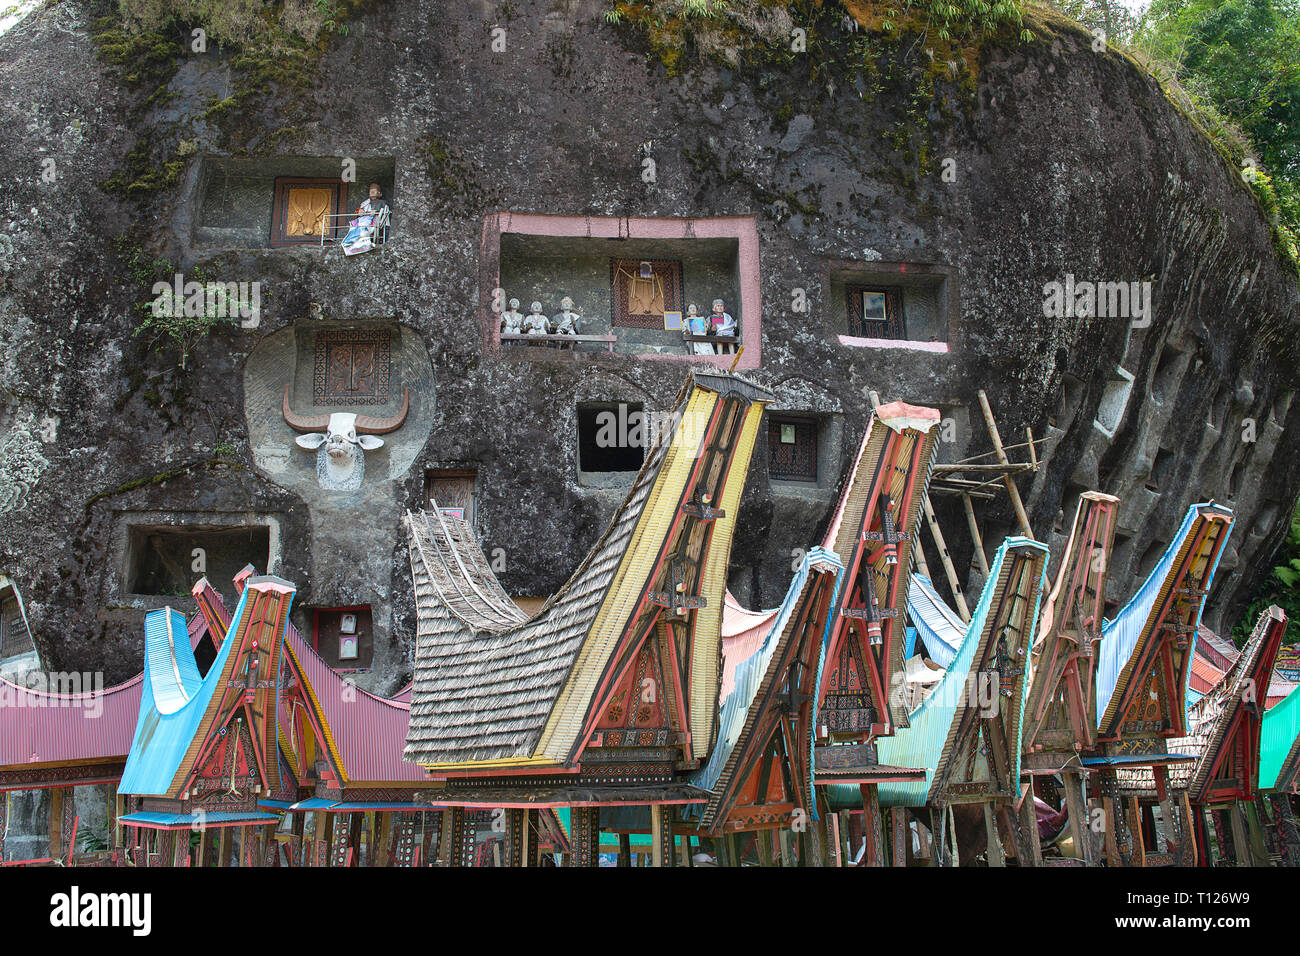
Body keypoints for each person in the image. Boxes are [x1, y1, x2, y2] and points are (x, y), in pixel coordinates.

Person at [341, 183, 389, 256]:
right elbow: (358, 211)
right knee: (357, 227)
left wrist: (376, 212)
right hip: (363, 218)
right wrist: (360, 211)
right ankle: (351, 242)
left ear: (379, 194)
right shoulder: (365, 203)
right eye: (371, 191)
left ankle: (362, 241)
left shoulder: (382, 202)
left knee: (365, 227)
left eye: (374, 190)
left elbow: (385, 211)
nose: (372, 192)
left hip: (374, 219)